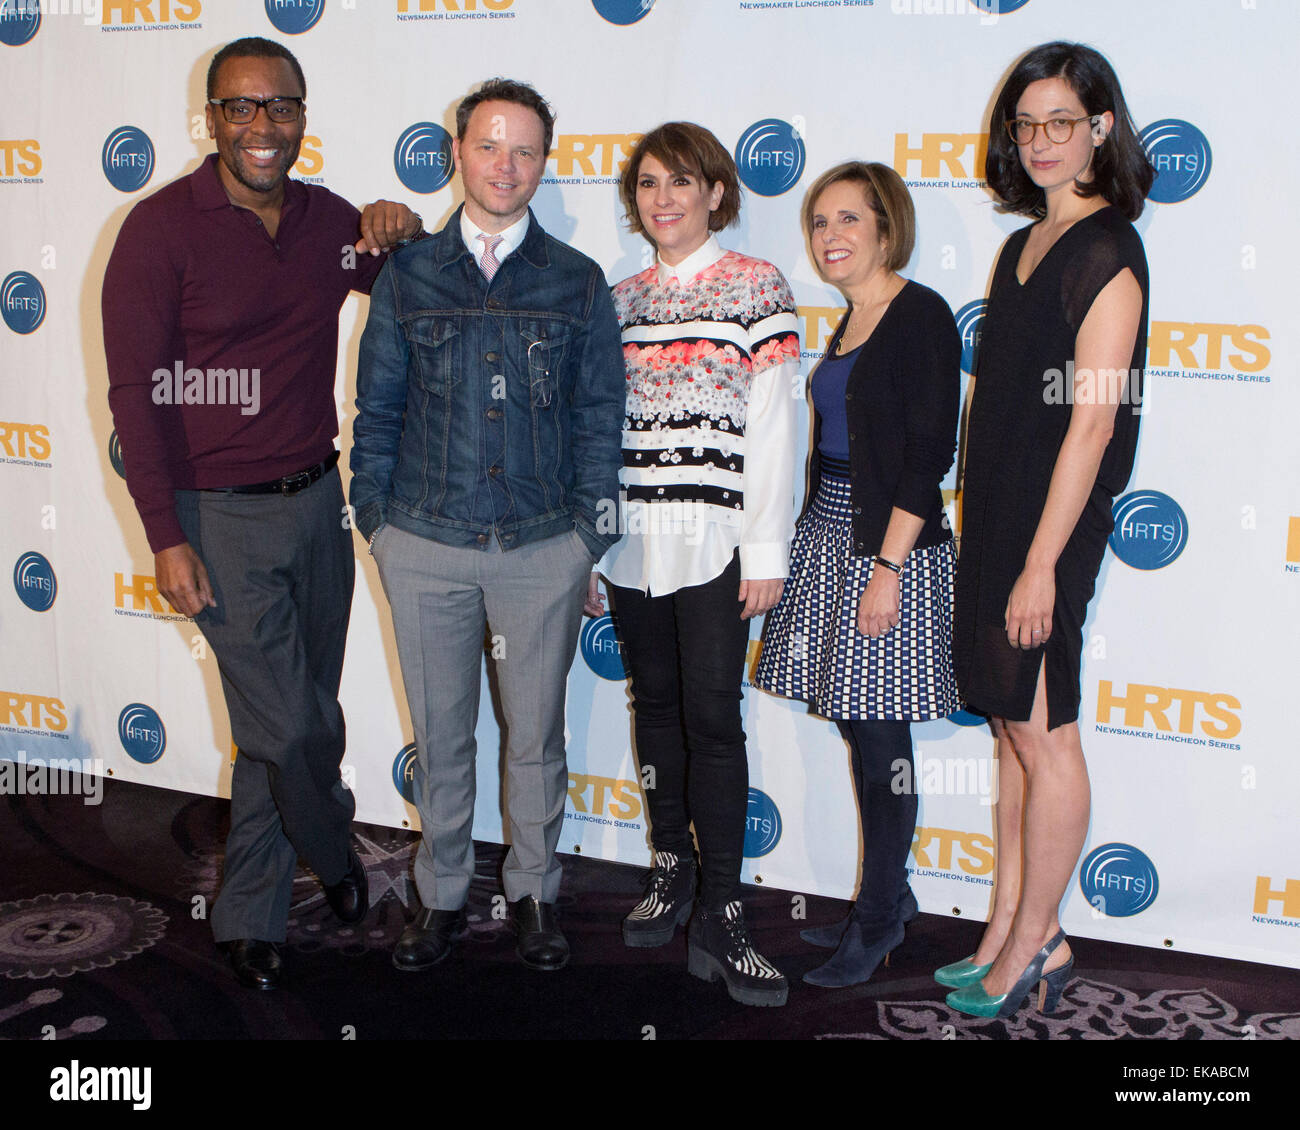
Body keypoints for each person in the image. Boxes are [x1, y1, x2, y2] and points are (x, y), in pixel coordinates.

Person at [102, 37, 422, 990]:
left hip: (319, 507)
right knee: (291, 732)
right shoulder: (159, 229)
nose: (261, 127)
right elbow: (134, 394)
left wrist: (399, 231)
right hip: (214, 519)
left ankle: (249, 917)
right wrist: (164, 532)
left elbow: (408, 290)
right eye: (240, 108)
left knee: (271, 731)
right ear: (211, 119)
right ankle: (336, 846)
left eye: (279, 107)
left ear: (302, 116)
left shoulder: (329, 220)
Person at [350, 79, 625, 974]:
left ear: (545, 162)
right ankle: (439, 897)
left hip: (541, 549)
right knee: (442, 735)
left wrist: (586, 536)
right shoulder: (410, 273)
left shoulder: (576, 281)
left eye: (526, 151)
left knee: (537, 739)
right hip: (423, 545)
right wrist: (377, 522)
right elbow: (377, 410)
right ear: (456, 151)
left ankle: (535, 894)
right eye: (489, 146)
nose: (506, 166)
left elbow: (598, 419)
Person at [941, 41, 1153, 1017]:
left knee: (1045, 729)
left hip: (1050, 530)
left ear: (1100, 127)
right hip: (998, 514)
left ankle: (1040, 938)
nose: (1039, 141)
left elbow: (1096, 418)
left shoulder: (1109, 248)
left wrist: (1038, 562)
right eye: (1025, 124)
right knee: (1008, 731)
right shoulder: (1021, 242)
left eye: (1060, 122)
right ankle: (1004, 925)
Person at [586, 122, 801, 1007]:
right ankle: (671, 869)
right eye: (647, 184)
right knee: (656, 708)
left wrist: (766, 550)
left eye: (681, 181)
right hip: (634, 536)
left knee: (715, 720)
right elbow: (595, 431)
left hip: (717, 543)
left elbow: (778, 428)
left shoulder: (758, 286)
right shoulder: (616, 298)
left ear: (716, 191)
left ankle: (724, 908)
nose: (663, 198)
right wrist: (597, 541)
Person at [752, 163, 961, 987]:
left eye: (849, 220)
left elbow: (929, 456)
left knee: (883, 746)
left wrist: (887, 568)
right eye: (819, 223)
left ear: (886, 226)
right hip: (831, 531)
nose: (831, 237)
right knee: (854, 726)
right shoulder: (849, 320)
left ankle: (877, 923)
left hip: (888, 547)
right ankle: (891, 896)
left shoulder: (921, 316)